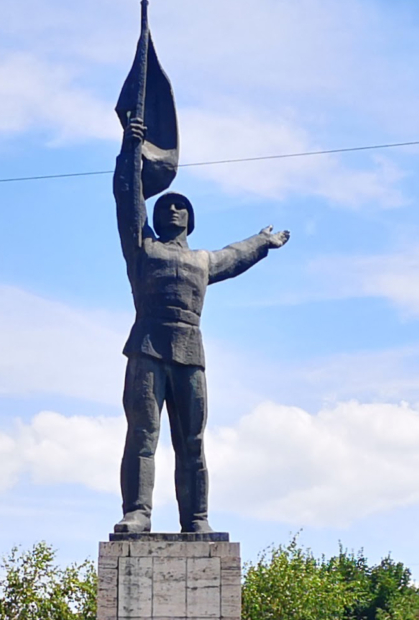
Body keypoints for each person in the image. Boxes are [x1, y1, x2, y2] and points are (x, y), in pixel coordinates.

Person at [112, 116, 289, 534]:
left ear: (190, 221)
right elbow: (126, 199)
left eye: (182, 207)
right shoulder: (143, 249)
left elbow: (235, 254)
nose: (174, 209)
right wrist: (129, 151)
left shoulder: (202, 262)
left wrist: (262, 241)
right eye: (167, 206)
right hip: (148, 347)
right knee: (143, 434)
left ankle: (197, 517)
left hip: (190, 352)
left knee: (192, 441)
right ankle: (138, 512)